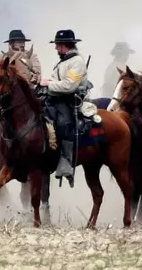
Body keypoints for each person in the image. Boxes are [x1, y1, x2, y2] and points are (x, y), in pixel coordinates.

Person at [0, 29, 42, 166]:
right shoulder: (1, 58)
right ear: (11, 44)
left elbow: (38, 74)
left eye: (23, 42)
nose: (21, 44)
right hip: (5, 98)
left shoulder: (31, 57)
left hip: (25, 96)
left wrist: (34, 76)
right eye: (18, 42)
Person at [41, 29, 88, 183]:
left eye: (57, 45)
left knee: (63, 124)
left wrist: (48, 84)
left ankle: (66, 161)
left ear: (64, 45)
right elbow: (56, 82)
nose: (55, 48)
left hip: (69, 100)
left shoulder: (77, 62)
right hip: (56, 98)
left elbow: (69, 86)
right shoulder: (63, 61)